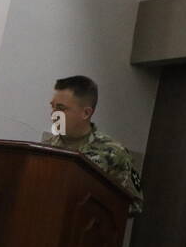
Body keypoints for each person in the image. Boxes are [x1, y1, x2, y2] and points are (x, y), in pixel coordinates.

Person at [42, 75, 144, 214]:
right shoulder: (45, 147)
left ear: (86, 113)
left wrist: (92, 206)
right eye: (53, 107)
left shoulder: (114, 152)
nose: (53, 114)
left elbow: (135, 205)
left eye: (61, 108)